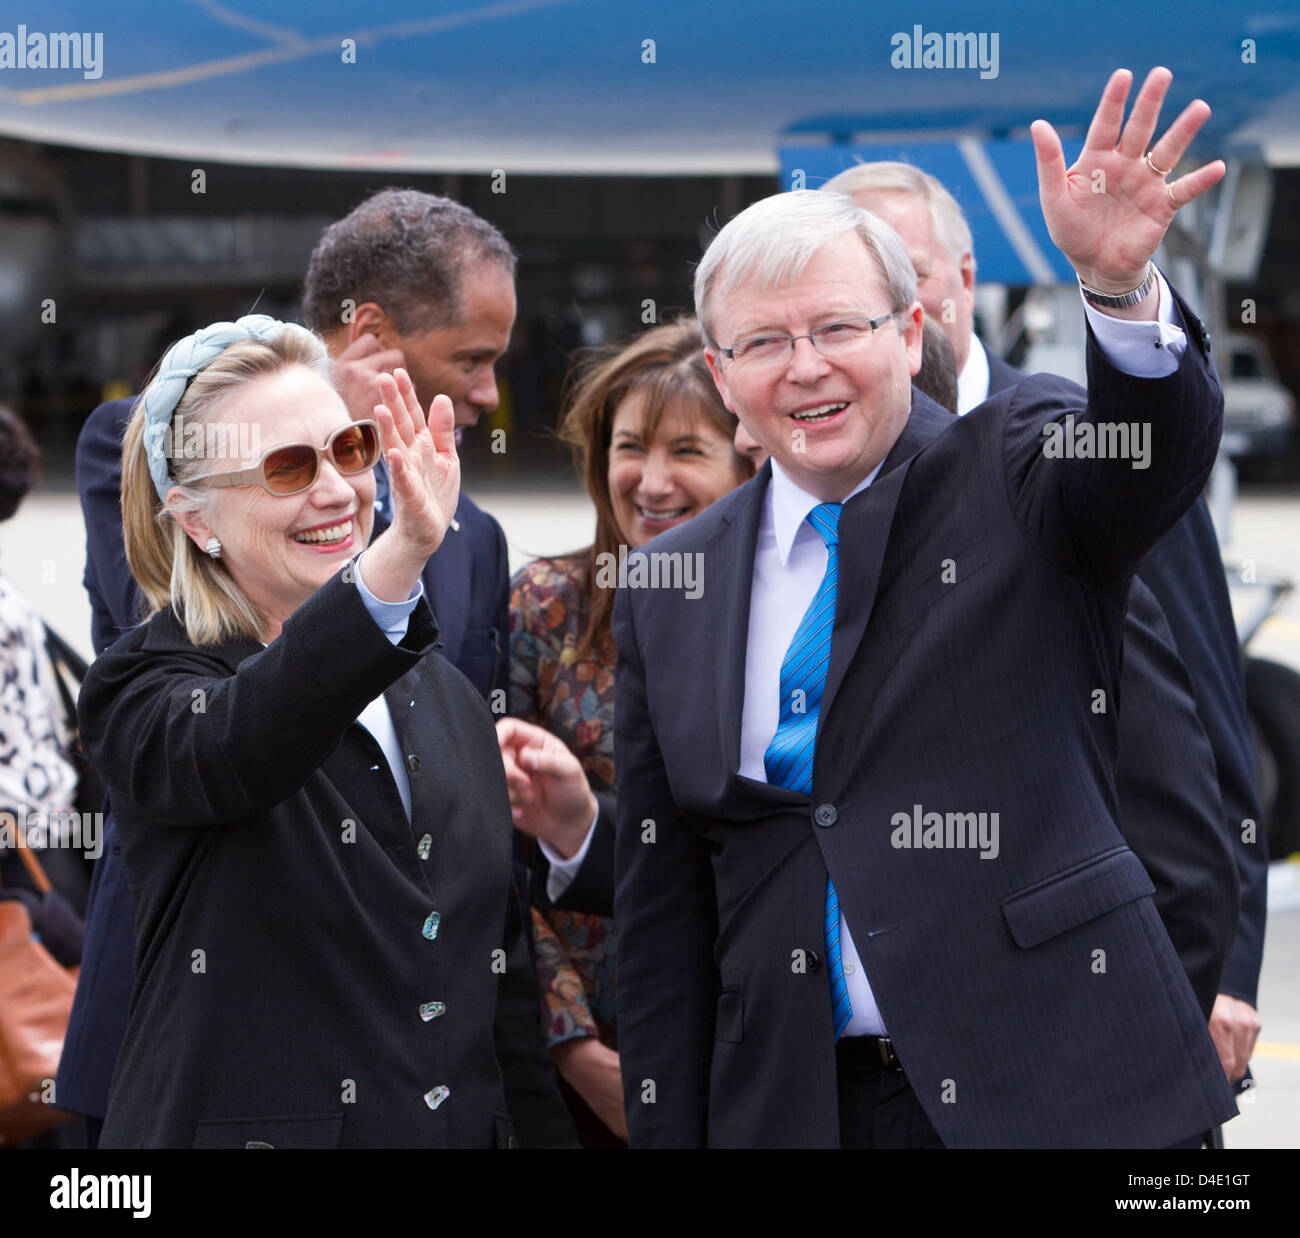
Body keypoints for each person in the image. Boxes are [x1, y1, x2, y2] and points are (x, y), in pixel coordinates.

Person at [613, 68, 1239, 1147]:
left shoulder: (1015, 467)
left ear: (910, 334)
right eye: (763, 342)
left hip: (1058, 1088)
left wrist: (1118, 292)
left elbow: (1150, 457)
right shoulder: (674, 579)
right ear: (721, 376)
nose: (804, 368)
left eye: (837, 328)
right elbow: (663, 907)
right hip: (802, 1106)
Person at [58, 188, 542, 1144]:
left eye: (350, 449)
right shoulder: (145, 691)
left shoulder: (438, 693)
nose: (335, 489)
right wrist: (395, 559)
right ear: (195, 516)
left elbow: (499, 982)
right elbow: (246, 743)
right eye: (286, 467)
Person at [825, 158, 1266, 1081]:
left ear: (965, 280)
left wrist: (1228, 972)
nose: (890, 309)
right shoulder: (811, 468)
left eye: (910, 275)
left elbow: (1207, 726)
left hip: (1105, 1021)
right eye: (854, 293)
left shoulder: (1091, 447)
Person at [498, 318, 754, 1144]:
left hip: (750, 1050)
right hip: (573, 1069)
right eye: (630, 446)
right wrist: (575, 1047)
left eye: (688, 449)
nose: (650, 481)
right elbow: (490, 864)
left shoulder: (787, 613)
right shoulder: (544, 604)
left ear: (750, 457)